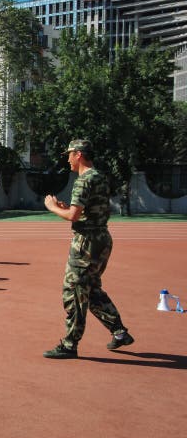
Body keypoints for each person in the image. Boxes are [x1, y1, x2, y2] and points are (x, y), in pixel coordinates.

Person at [42, 139, 134, 359]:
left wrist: (53, 207)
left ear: (79, 154)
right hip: (102, 238)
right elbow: (89, 210)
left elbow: (73, 216)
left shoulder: (83, 180)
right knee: (91, 289)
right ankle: (119, 332)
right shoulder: (100, 177)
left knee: (74, 291)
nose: (68, 159)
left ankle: (69, 344)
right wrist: (71, 210)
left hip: (86, 242)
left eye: (70, 154)